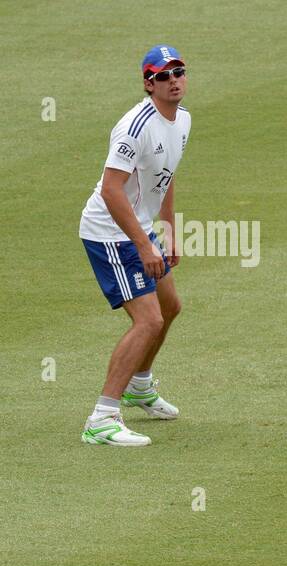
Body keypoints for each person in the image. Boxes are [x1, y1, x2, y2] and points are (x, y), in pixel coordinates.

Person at [79, 45, 191, 446]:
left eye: (178, 72)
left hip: (140, 228)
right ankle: (102, 418)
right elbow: (111, 190)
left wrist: (169, 230)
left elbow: (166, 174)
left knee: (170, 306)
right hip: (110, 232)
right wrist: (144, 244)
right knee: (149, 320)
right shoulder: (134, 126)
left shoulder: (182, 121)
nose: (173, 80)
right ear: (149, 83)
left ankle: (138, 386)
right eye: (163, 75)